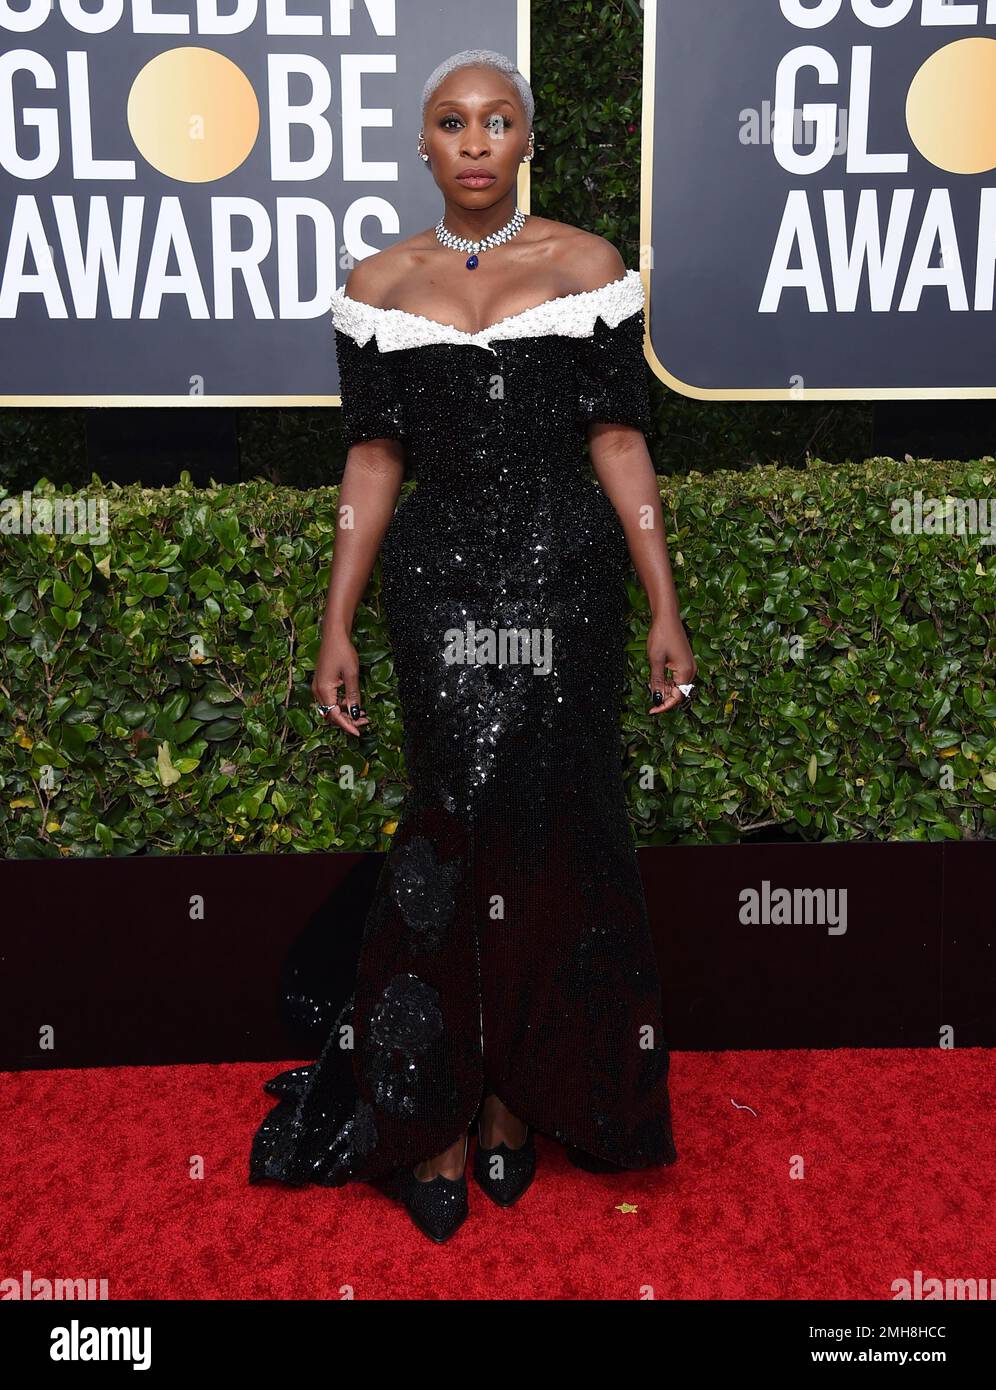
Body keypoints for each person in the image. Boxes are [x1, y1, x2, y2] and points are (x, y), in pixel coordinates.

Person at [249, 48, 696, 1244]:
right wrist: (339, 617)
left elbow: (620, 447)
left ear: (526, 138)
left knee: (553, 824)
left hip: (567, 577)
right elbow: (372, 462)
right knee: (447, 828)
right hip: (437, 581)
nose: (477, 141)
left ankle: (514, 1099)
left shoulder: (590, 268)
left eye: (500, 121)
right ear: (425, 145)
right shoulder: (379, 282)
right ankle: (429, 1106)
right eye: (454, 122)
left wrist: (662, 601)